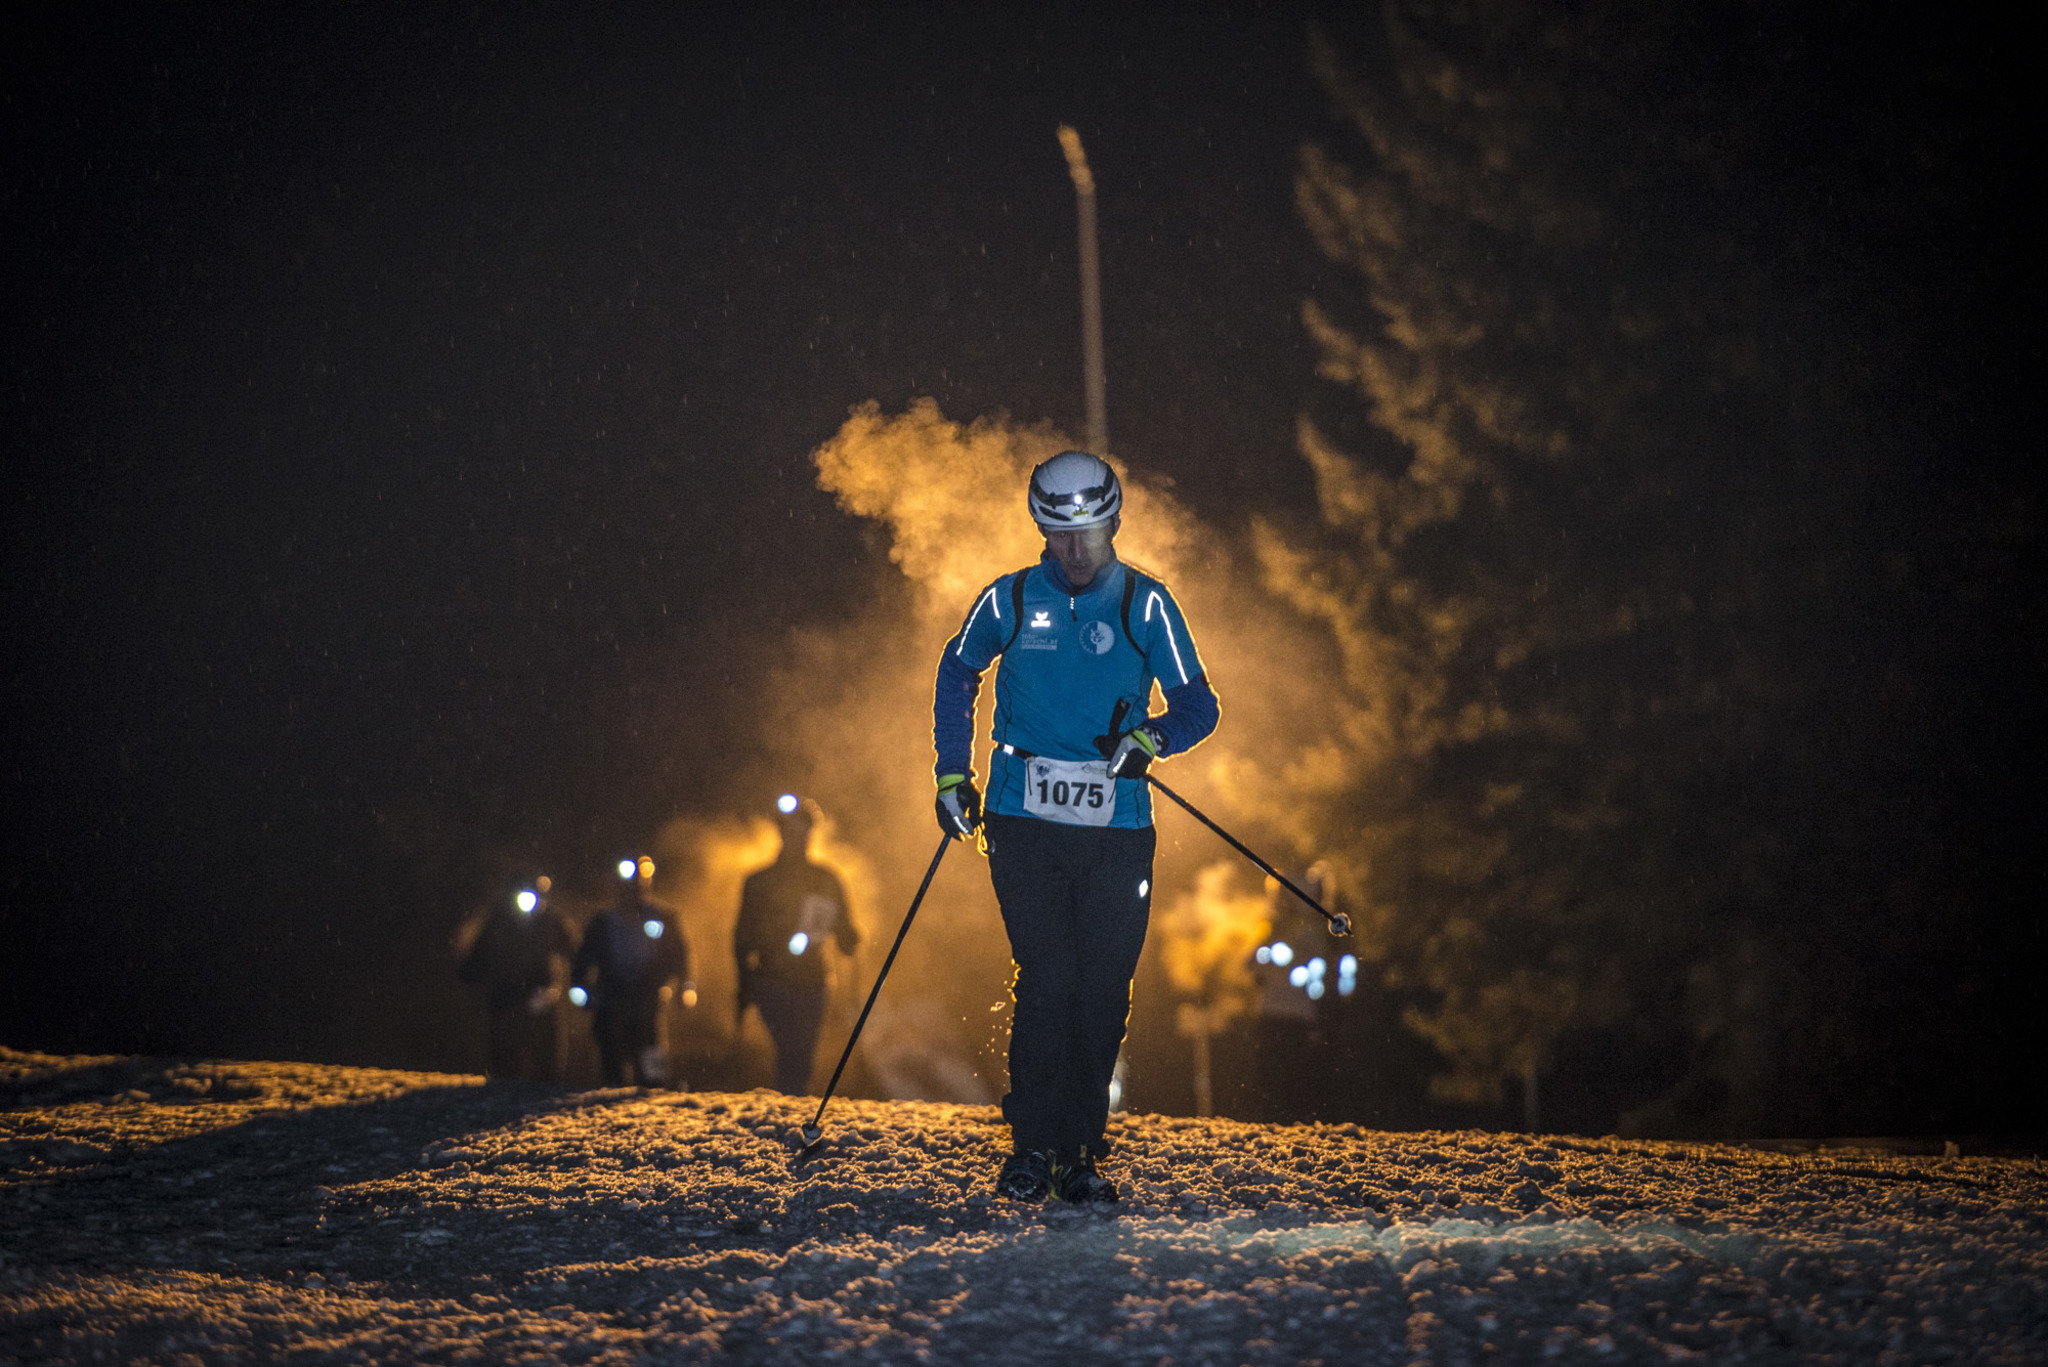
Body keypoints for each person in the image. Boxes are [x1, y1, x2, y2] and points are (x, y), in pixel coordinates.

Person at [931, 449, 1219, 1203]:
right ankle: (1031, 1146)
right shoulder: (1010, 599)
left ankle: (1081, 1150)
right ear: (1039, 530)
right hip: (1023, 818)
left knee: (1102, 990)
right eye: (1059, 534)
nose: (1076, 550)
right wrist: (952, 772)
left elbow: (1200, 706)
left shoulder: (1146, 604)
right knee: (1049, 978)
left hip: (1118, 828)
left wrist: (1151, 739)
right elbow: (958, 669)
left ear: (1115, 523)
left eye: (1089, 532)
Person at [733, 795, 859, 1094]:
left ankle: (790, 1107)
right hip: (771, 980)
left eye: (802, 830)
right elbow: (742, 936)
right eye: (790, 829)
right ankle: (789, 1107)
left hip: (812, 980)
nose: (796, 836)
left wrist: (850, 937)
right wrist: (744, 983)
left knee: (799, 1053)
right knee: (792, 1050)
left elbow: (845, 935)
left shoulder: (827, 879)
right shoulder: (759, 882)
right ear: (780, 832)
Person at [570, 855, 690, 1087]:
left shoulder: (663, 917)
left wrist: (685, 986)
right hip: (612, 995)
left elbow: (680, 955)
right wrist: (580, 986)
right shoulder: (603, 921)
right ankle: (613, 1095)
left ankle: (656, 1095)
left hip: (648, 994)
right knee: (611, 1053)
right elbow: (584, 958)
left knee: (651, 1049)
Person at [459, 873, 574, 1082]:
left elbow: (573, 952)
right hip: (506, 997)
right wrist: (472, 975)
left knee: (547, 1062)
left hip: (541, 997)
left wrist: (580, 982)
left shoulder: (550, 920)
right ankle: (504, 1097)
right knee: (505, 1062)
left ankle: (546, 1095)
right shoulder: (498, 920)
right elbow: (477, 956)